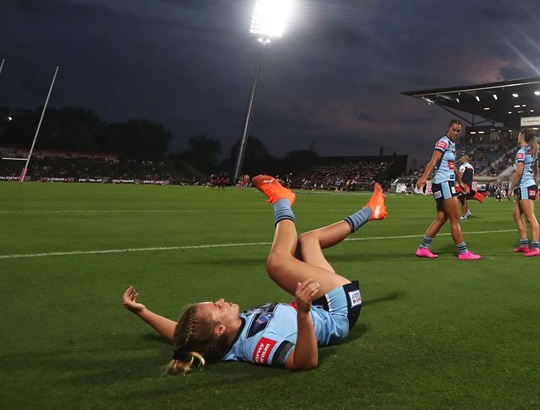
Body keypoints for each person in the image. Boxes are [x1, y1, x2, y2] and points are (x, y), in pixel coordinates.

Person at [122, 175, 383, 373]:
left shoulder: (215, 339)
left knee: (308, 241)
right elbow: (305, 362)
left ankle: (372, 211)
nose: (221, 300)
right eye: (217, 306)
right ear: (220, 328)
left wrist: (142, 312)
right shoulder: (258, 345)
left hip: (318, 303)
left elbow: (183, 337)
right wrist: (303, 313)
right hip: (337, 312)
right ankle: (281, 199)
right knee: (277, 264)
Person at [415, 119, 481, 259]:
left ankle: (422, 248)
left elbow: (451, 166)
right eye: (454, 130)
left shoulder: (451, 145)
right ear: (448, 129)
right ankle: (463, 252)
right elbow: (433, 161)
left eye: (458, 131)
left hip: (444, 182)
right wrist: (424, 177)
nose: (456, 133)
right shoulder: (443, 142)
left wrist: (460, 181)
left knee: (441, 218)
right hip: (444, 183)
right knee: (455, 218)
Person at [510, 129, 540, 256]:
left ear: (522, 136)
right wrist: (536, 188)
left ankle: (535, 247)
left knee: (530, 217)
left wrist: (510, 188)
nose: (517, 136)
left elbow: (518, 172)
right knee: (516, 215)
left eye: (518, 134)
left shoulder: (522, 152)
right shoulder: (533, 151)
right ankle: (524, 245)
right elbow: (537, 172)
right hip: (529, 186)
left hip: (525, 186)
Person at [457, 154, 476, 220]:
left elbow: (460, 176)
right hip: (468, 185)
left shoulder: (462, 167)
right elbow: (472, 177)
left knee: (462, 199)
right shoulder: (471, 167)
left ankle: (464, 215)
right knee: (462, 198)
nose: (460, 159)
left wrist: (457, 184)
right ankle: (467, 211)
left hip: (463, 185)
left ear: (464, 159)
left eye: (462, 158)